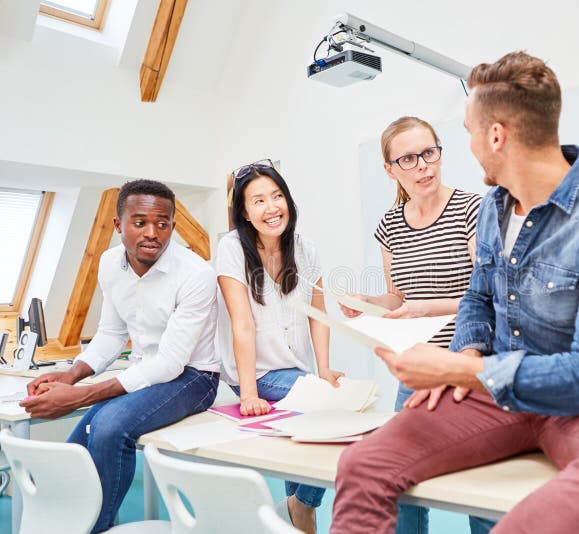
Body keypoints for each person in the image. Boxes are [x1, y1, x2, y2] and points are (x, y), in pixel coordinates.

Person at [330, 51, 579, 534]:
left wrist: (465, 367)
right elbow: (478, 297)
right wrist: (468, 352)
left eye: (470, 132)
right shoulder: (496, 205)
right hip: (489, 391)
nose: (469, 146)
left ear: (496, 136)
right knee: (362, 464)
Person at [22, 179, 220, 533]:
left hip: (194, 377)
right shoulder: (110, 263)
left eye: (163, 224)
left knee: (110, 427)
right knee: (83, 435)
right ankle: (68, 523)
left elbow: (171, 363)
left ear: (173, 226)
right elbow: (111, 334)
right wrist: (69, 377)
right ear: (119, 225)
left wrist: (79, 396)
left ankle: (92, 528)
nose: (152, 233)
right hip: (144, 370)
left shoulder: (197, 275)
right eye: (139, 222)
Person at [339, 116, 483, 533]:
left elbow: (484, 297)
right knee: (401, 479)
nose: (423, 166)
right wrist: (369, 303)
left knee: (478, 481)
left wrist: (426, 309)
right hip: (415, 366)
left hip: (467, 363)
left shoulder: (472, 209)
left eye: (429, 153)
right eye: (408, 158)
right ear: (389, 169)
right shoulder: (389, 226)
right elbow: (398, 298)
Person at [216, 160, 342, 534]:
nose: (271, 208)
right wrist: (249, 393)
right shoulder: (231, 248)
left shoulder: (305, 248)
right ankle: (300, 508)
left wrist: (325, 369)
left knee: (322, 417)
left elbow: (318, 313)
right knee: (325, 414)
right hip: (256, 373)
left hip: (296, 370)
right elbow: (242, 323)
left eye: (277, 196)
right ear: (244, 211)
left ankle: (298, 511)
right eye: (258, 201)